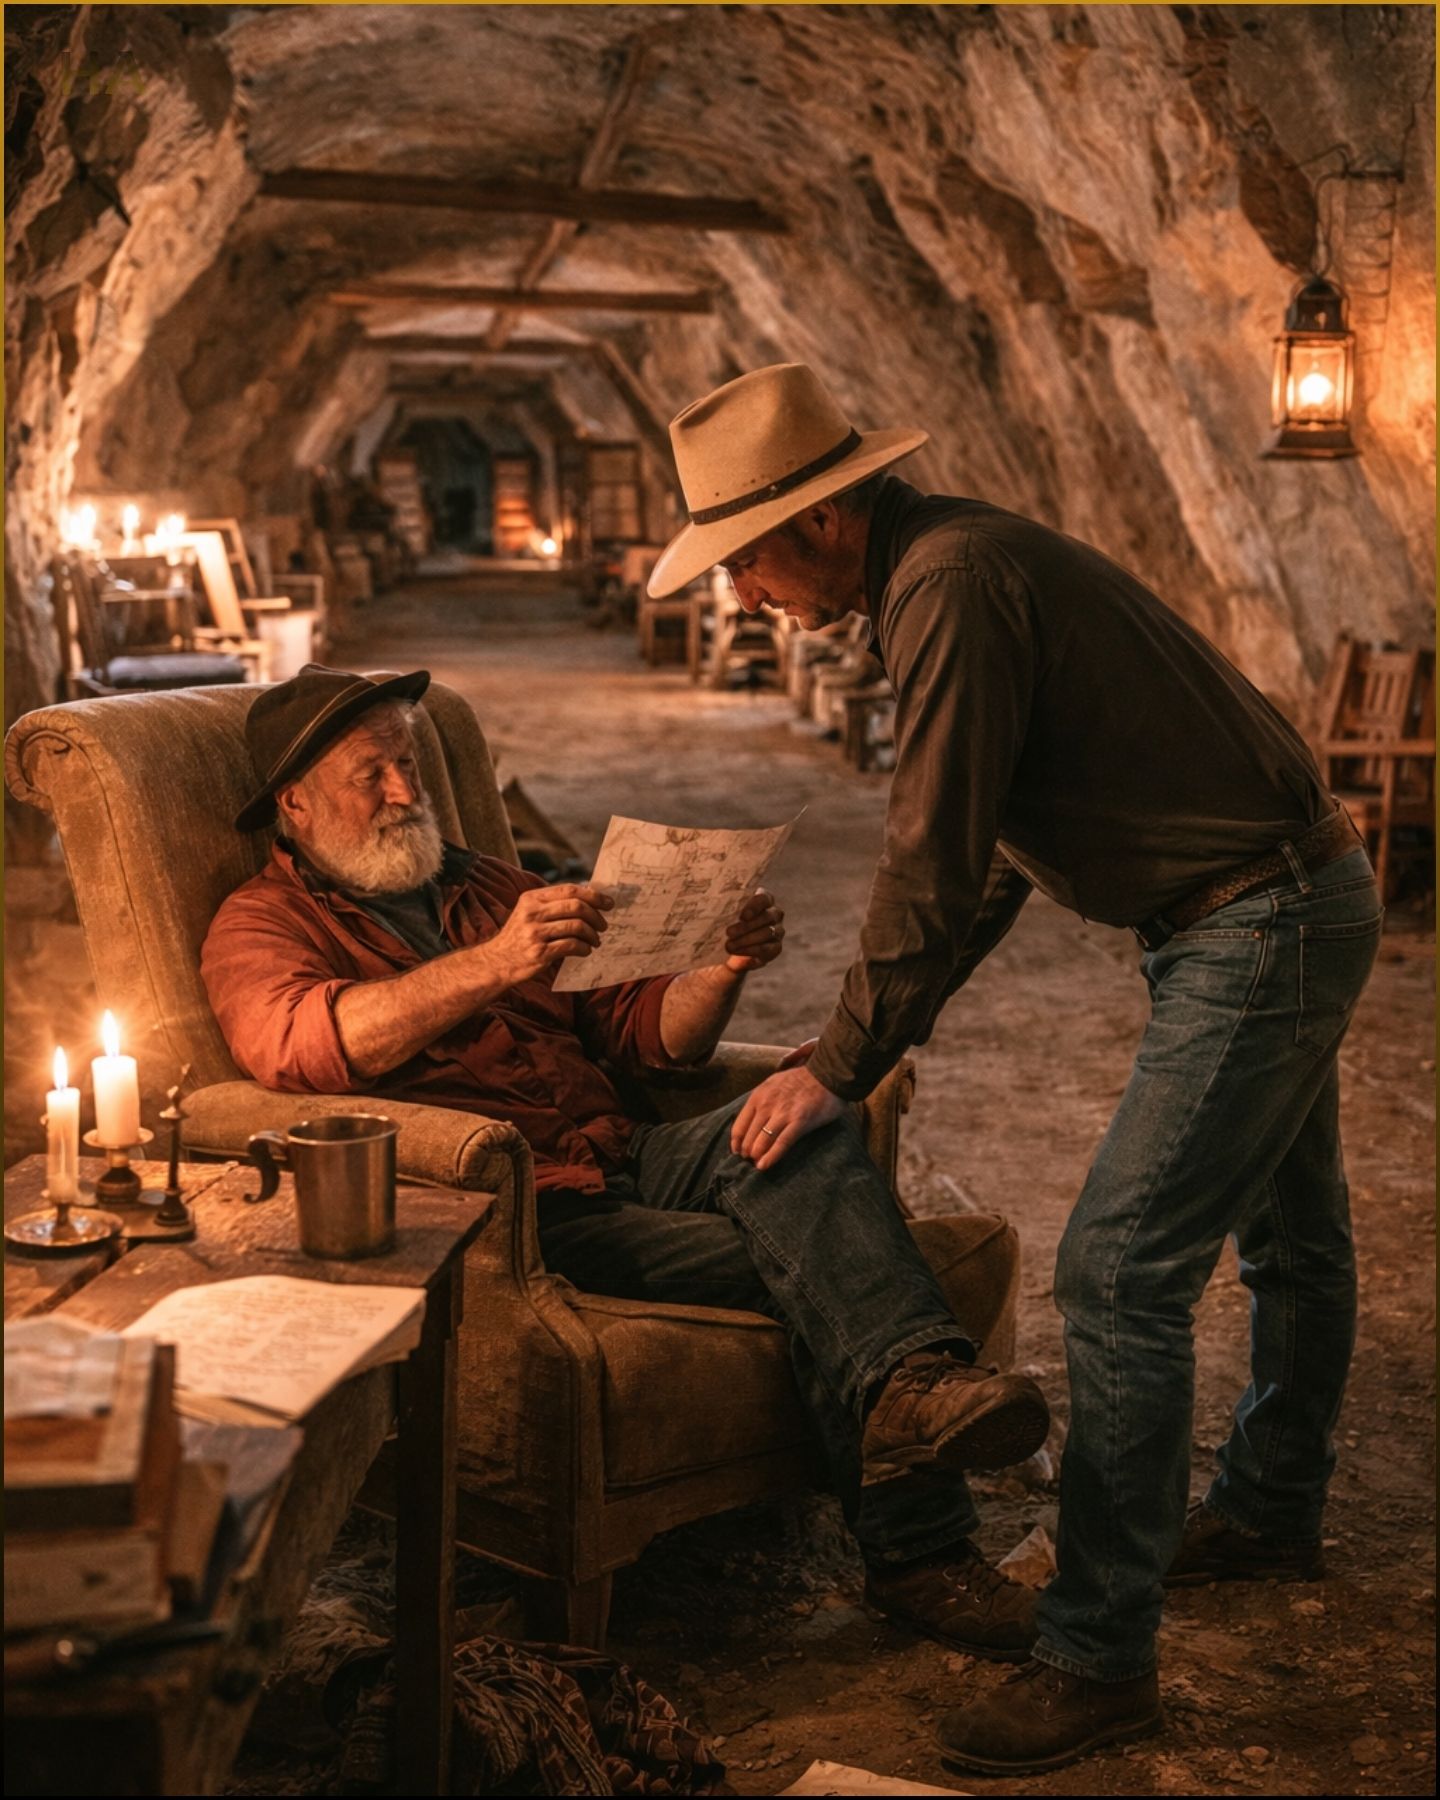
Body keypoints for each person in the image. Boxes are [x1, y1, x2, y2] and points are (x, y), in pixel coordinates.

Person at [646, 364, 1382, 1772]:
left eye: (745, 558)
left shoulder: (949, 586)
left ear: (824, 517)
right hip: (1268, 898)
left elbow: (925, 859)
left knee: (1119, 1271)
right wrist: (865, 1044)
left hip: (1257, 917)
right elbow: (986, 858)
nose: (742, 593)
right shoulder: (943, 566)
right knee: (1294, 1240)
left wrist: (846, 1064)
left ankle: (1098, 1657)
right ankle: (1275, 1511)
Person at [203, 663, 1052, 1659]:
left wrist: (719, 970)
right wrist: (495, 965)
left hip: (626, 1148)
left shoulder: (484, 884)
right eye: (372, 775)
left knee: (801, 1129)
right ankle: (924, 1553)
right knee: (829, 1260)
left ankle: (909, 1392)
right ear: (294, 806)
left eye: (409, 766)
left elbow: (650, 1037)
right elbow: (302, 1044)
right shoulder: (260, 926)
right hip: (518, 1209)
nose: (404, 794)